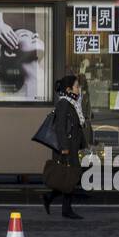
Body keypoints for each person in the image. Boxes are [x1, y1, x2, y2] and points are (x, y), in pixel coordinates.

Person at [43, 74, 86, 221]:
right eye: (76, 86)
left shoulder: (74, 103)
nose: (78, 88)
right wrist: (64, 148)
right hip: (66, 148)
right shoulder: (63, 104)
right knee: (71, 176)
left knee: (69, 176)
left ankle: (50, 197)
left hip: (72, 146)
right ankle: (66, 210)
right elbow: (60, 128)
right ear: (68, 89)